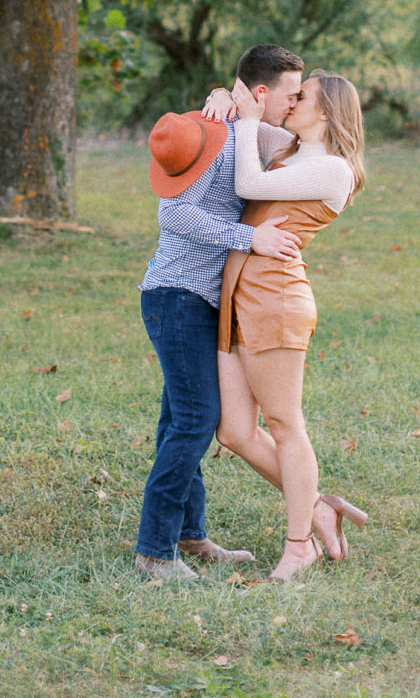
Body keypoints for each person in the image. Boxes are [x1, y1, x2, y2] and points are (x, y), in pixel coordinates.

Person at [135, 43, 307, 581]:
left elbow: (299, 141)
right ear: (262, 93)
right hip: (178, 294)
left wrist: (225, 94)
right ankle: (154, 552)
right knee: (195, 421)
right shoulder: (220, 141)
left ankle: (189, 535)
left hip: (201, 299)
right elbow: (175, 213)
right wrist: (247, 238)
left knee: (179, 420)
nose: (296, 103)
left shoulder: (249, 135)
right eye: (290, 95)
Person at [208, 68, 370, 582]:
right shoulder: (292, 148)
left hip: (275, 297)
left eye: (302, 97)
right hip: (238, 293)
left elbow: (247, 181)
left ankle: (299, 546)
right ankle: (320, 506)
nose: (291, 101)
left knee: (283, 423)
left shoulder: (333, 170)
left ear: (325, 112)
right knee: (234, 431)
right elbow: (242, 117)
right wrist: (222, 94)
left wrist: (251, 118)